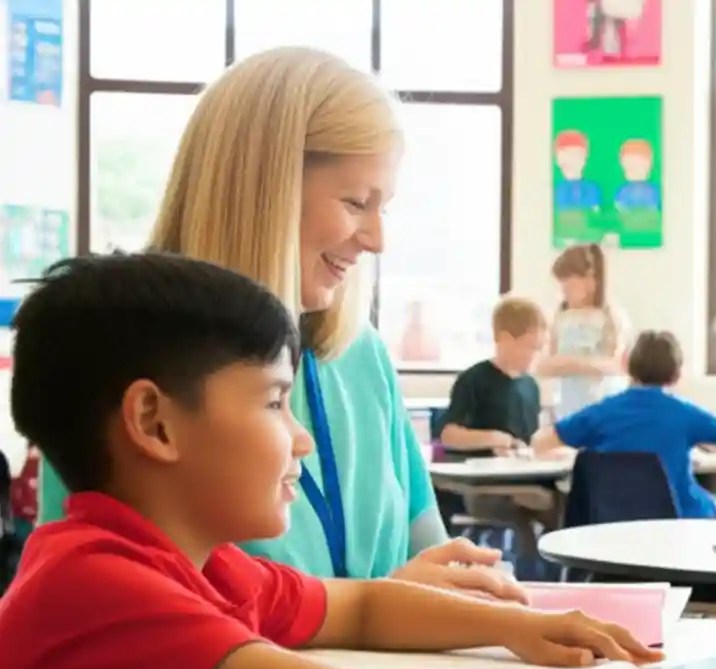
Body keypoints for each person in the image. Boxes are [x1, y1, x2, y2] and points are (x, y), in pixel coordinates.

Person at [0, 253, 709, 669]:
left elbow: (365, 608)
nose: (299, 437)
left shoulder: (202, 568)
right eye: (275, 402)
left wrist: (523, 627)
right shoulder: (93, 588)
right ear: (154, 422)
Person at [35, 47, 521, 602]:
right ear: (265, 192)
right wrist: (379, 614)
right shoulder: (114, 362)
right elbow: (113, 621)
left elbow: (434, 562)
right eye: (356, 202)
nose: (377, 240)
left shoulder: (360, 356)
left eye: (383, 207)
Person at [532, 331, 716, 518]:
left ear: (629, 367)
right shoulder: (686, 413)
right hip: (677, 520)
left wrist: (573, 453)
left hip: (609, 520)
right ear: (676, 373)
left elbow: (540, 442)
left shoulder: (600, 412)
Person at [439, 297, 556, 564]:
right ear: (504, 339)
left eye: (539, 349)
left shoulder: (531, 386)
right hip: (486, 489)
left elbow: (530, 440)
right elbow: (449, 435)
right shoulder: (473, 380)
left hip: (527, 480)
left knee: (562, 510)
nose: (534, 356)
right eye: (530, 347)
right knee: (526, 518)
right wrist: (493, 438)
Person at [540, 244, 630, 419]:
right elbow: (547, 362)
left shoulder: (611, 316)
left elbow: (616, 364)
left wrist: (576, 365)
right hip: (567, 404)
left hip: (602, 402)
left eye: (569, 283)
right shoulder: (560, 317)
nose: (564, 291)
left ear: (590, 279)